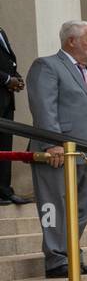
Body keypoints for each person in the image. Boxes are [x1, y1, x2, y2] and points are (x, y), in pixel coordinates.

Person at [26, 21, 87, 277]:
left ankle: (72, 255)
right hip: (57, 153)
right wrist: (52, 143)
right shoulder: (47, 66)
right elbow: (43, 107)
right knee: (56, 205)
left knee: (82, 208)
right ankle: (56, 260)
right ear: (71, 41)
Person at [0, 19, 31, 205]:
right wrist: (6, 80)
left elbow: (8, 61)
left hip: (6, 100)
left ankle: (4, 191)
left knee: (5, 146)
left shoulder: (2, 30)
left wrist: (16, 78)